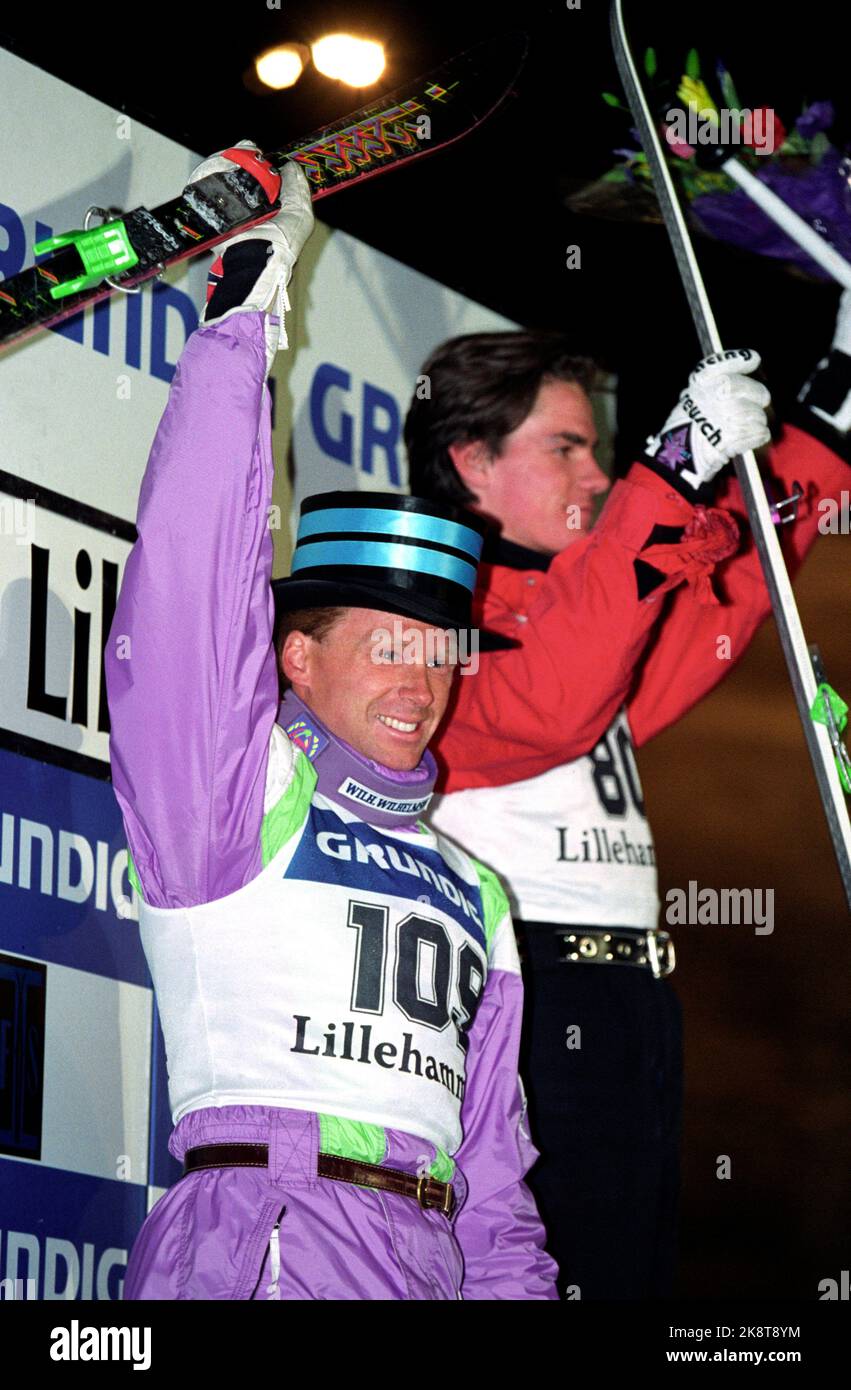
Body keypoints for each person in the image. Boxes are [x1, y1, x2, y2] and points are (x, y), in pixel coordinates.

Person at [105, 143, 557, 1301]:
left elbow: (498, 1181)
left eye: (439, 649)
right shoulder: (235, 796)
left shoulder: (480, 891)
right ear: (296, 656)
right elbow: (186, 596)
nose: (422, 680)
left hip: (430, 1260)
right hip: (262, 1230)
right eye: (385, 644)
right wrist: (239, 331)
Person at [404, 316, 850, 1299]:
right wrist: (672, 464)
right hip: (523, 1001)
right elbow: (549, 699)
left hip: (627, 1004)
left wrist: (829, 411)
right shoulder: (430, 619)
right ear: (469, 461)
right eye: (565, 448)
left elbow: (729, 589)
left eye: (599, 452)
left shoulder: (590, 604)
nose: (595, 477)